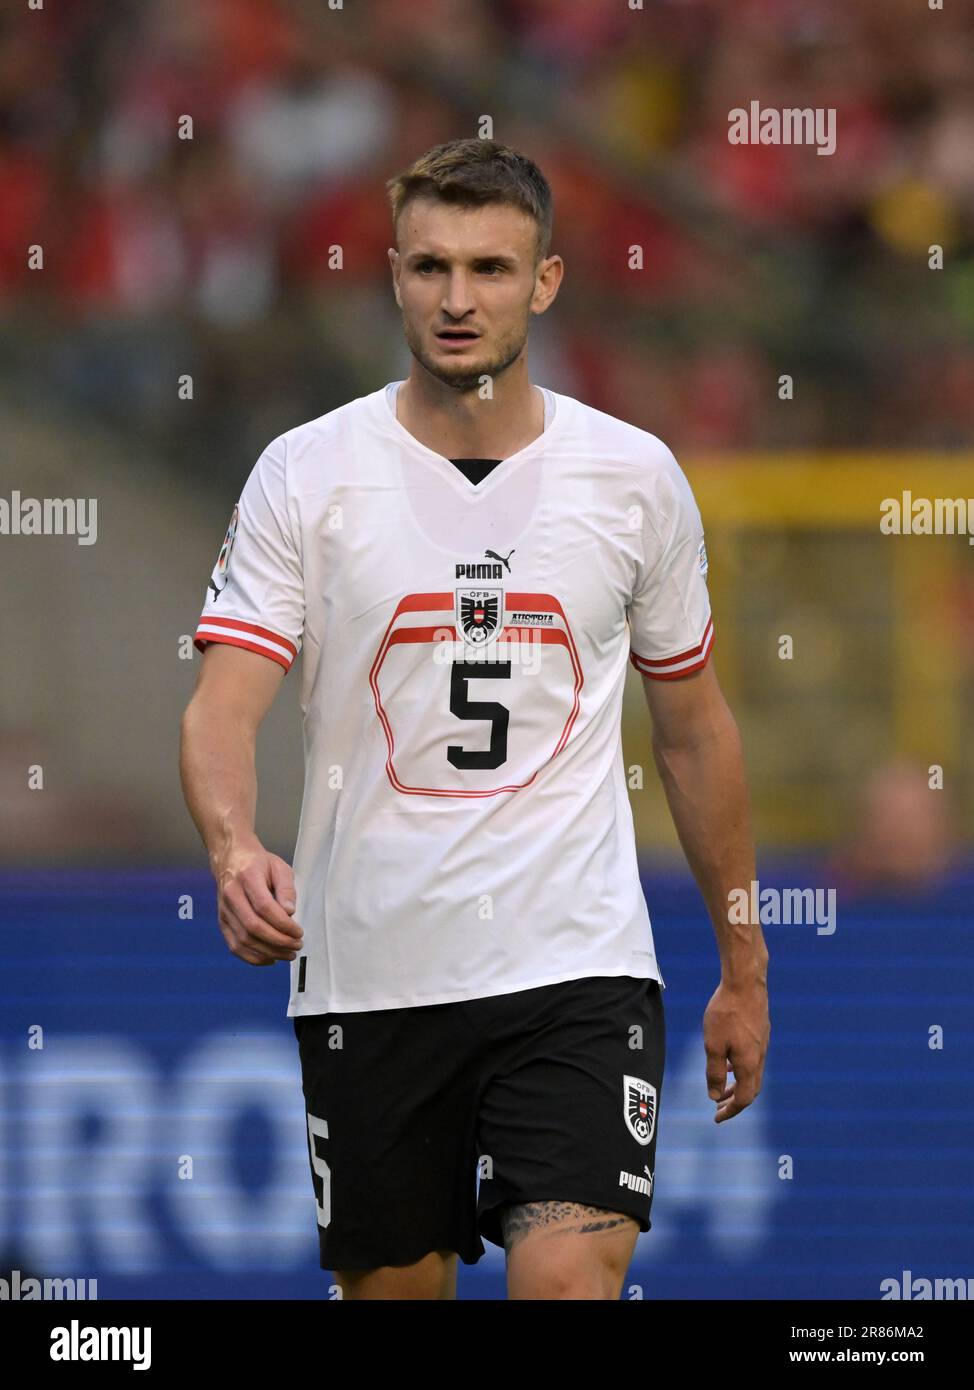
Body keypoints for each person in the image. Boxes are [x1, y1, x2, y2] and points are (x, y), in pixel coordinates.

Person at [179, 138, 769, 1301]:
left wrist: (741, 962)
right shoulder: (304, 476)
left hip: (577, 964)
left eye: (491, 268)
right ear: (392, 275)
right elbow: (222, 702)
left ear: (544, 283)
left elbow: (694, 732)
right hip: (371, 980)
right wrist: (234, 843)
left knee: (565, 1283)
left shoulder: (633, 478)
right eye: (431, 267)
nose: (458, 300)